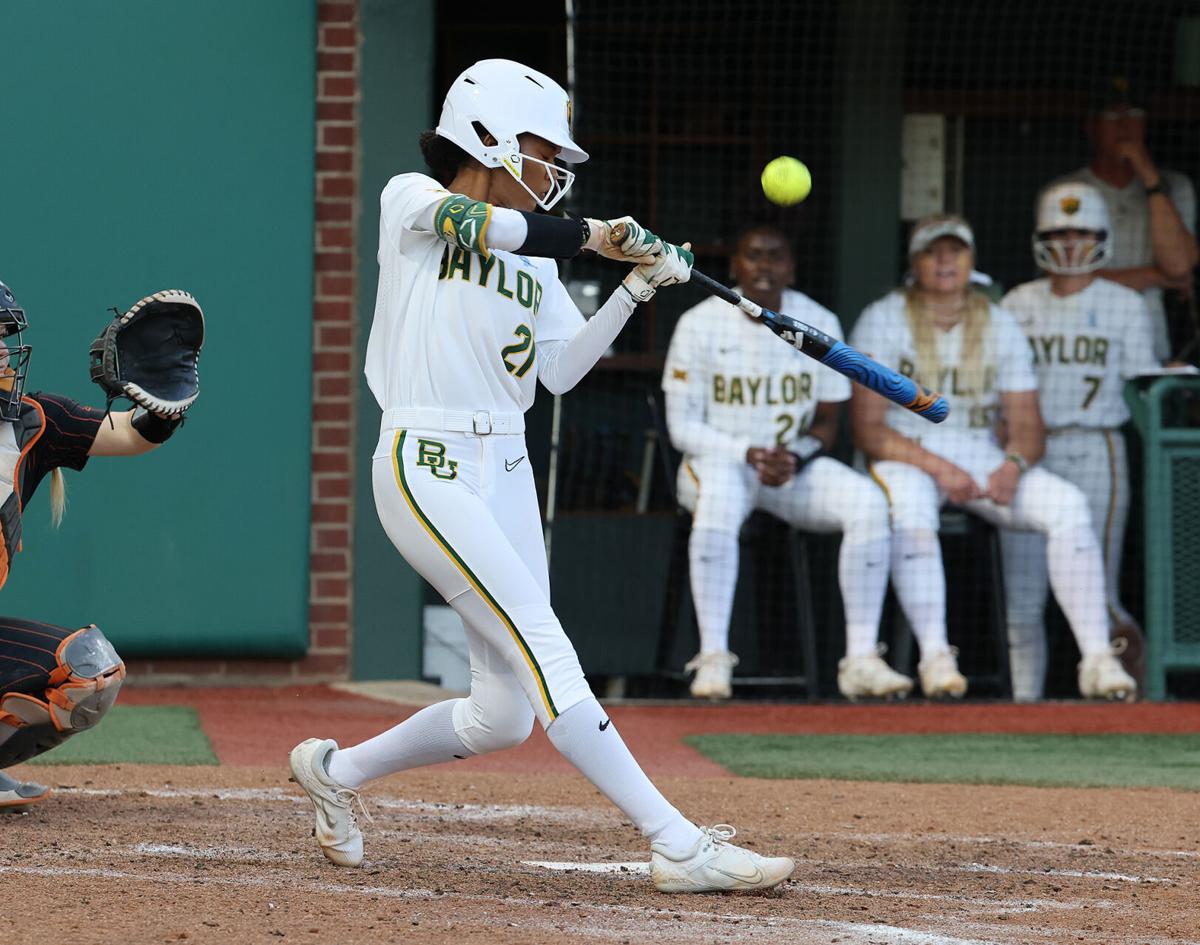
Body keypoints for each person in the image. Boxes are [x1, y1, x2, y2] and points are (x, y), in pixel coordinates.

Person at [287, 59, 794, 894]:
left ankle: (335, 772)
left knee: (501, 714)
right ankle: (676, 842)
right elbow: (484, 226)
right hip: (428, 458)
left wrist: (632, 288)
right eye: (540, 148)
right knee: (545, 643)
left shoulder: (540, 259)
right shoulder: (410, 199)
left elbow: (557, 371)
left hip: (507, 461)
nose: (554, 169)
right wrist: (601, 235)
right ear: (486, 134)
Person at [849, 214, 1138, 701]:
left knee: (1067, 505)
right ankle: (936, 656)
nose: (945, 260)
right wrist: (940, 467)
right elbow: (868, 430)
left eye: (955, 250)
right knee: (912, 511)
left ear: (971, 259)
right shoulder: (883, 318)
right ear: (914, 263)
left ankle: (1097, 658)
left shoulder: (997, 320)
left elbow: (1027, 422)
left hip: (975, 448)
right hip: (905, 451)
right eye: (932, 252)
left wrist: (1014, 465)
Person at [662, 224, 912, 702]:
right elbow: (681, 429)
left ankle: (860, 658)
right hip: (720, 463)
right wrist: (746, 453)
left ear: (790, 268)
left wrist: (796, 455)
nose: (764, 266)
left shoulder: (818, 321)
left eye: (775, 257)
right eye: (753, 256)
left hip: (789, 467)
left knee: (868, 503)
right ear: (735, 266)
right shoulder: (700, 321)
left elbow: (826, 421)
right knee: (718, 496)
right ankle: (713, 658)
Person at [0, 281, 190, 809]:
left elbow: (130, 435)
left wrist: (163, 402)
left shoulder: (34, 421)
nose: (3, 352)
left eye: (3, 337)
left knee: (89, 669)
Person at [999, 182, 1158, 701]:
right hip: (1027, 455)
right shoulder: (1018, 302)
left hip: (1097, 448)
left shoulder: (1124, 303)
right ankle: (1026, 708)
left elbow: (1144, 381)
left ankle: (1130, 701)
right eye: (1058, 233)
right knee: (1022, 597)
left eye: (1081, 232)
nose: (1070, 244)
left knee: (1100, 590)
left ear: (1101, 237)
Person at [1048, 76, 1198, 361]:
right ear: (1091, 126)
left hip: (1152, 342)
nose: (1125, 125)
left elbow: (1179, 267)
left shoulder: (1175, 186)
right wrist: (1155, 276)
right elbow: (1060, 273)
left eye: (1134, 115)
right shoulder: (1065, 191)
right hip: (1082, 341)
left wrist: (1149, 176)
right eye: (1113, 115)